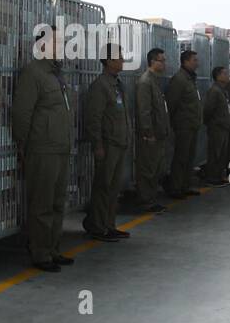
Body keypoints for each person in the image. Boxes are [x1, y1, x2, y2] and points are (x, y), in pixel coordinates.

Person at [13, 21, 75, 272]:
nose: (61, 47)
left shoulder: (57, 74)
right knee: (42, 204)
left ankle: (53, 248)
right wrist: (23, 146)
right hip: (42, 148)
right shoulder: (33, 73)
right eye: (56, 42)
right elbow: (22, 113)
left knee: (58, 203)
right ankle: (40, 253)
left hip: (60, 147)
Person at [84, 43, 130, 242]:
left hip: (119, 143)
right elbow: (93, 118)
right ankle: (97, 225)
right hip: (108, 144)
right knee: (103, 187)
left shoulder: (118, 84)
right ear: (109, 61)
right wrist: (98, 145)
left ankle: (109, 224)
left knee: (114, 188)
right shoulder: (100, 86)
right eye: (119, 57)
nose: (122, 60)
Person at [133, 48, 169, 213]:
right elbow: (144, 110)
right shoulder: (146, 82)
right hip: (150, 136)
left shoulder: (154, 81)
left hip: (158, 133)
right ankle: (146, 201)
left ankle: (151, 199)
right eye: (161, 60)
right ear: (153, 62)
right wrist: (148, 132)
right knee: (148, 169)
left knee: (155, 168)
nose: (164, 64)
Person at [165, 49, 202, 198]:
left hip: (191, 125)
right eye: (194, 60)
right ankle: (176, 188)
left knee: (189, 158)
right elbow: (171, 103)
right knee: (181, 158)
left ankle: (185, 186)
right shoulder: (179, 79)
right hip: (183, 126)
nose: (197, 63)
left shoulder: (190, 79)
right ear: (186, 61)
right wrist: (175, 124)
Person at [202, 66, 230, 185]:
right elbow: (208, 109)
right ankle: (212, 177)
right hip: (217, 127)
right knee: (215, 153)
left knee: (221, 153)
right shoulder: (214, 91)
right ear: (218, 76)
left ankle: (218, 175)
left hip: (223, 126)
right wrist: (213, 123)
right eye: (225, 73)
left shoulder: (222, 90)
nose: (227, 75)